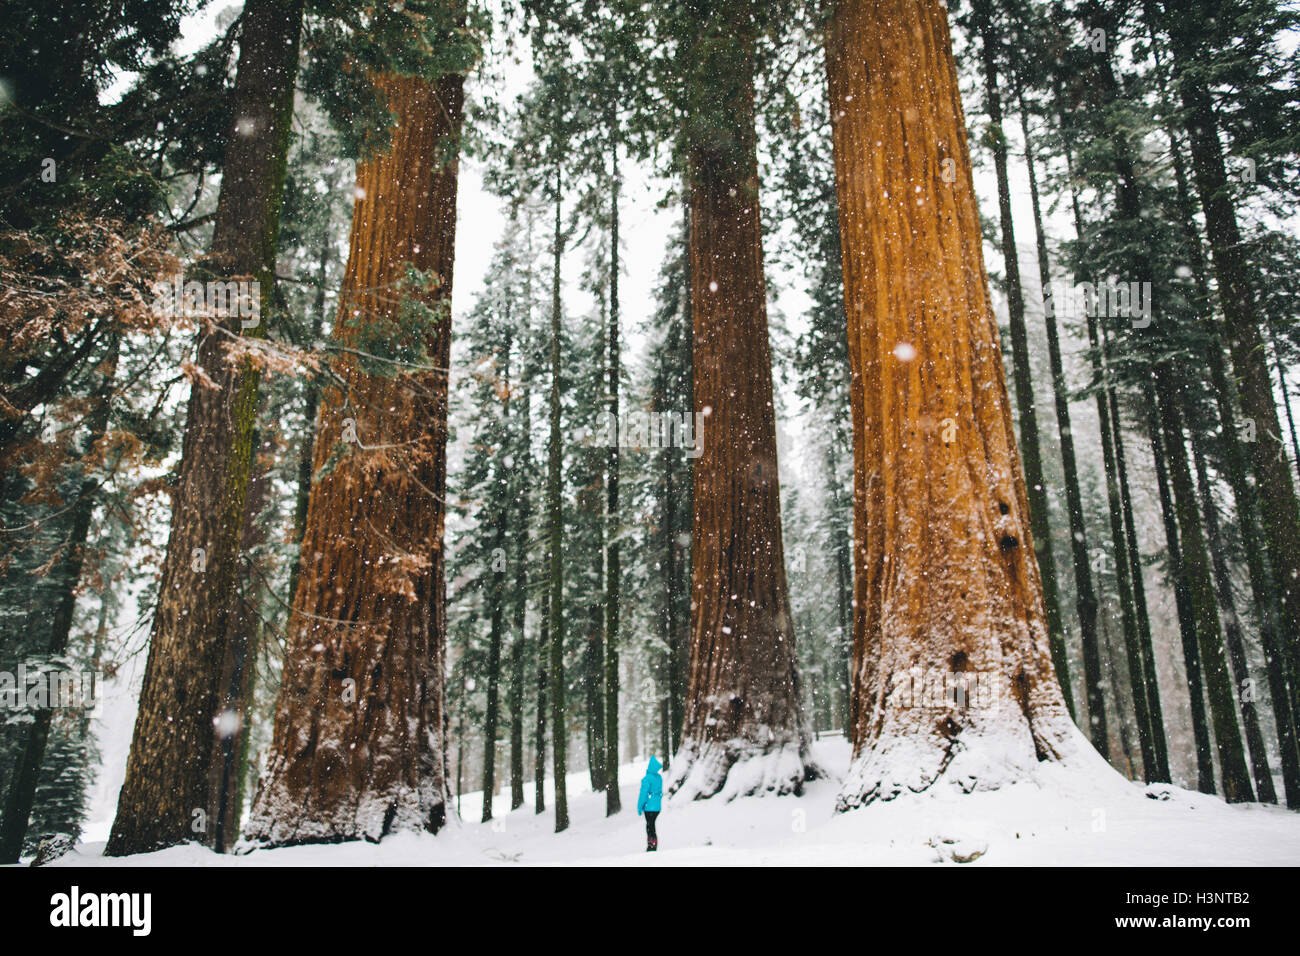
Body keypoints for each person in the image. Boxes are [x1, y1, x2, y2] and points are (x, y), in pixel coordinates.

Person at [636, 755, 663, 852]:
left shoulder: (647, 779)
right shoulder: (659, 778)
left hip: (649, 807)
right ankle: (653, 844)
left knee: (649, 826)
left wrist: (639, 807)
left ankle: (651, 846)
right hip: (657, 807)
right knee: (652, 825)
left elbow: (643, 794)